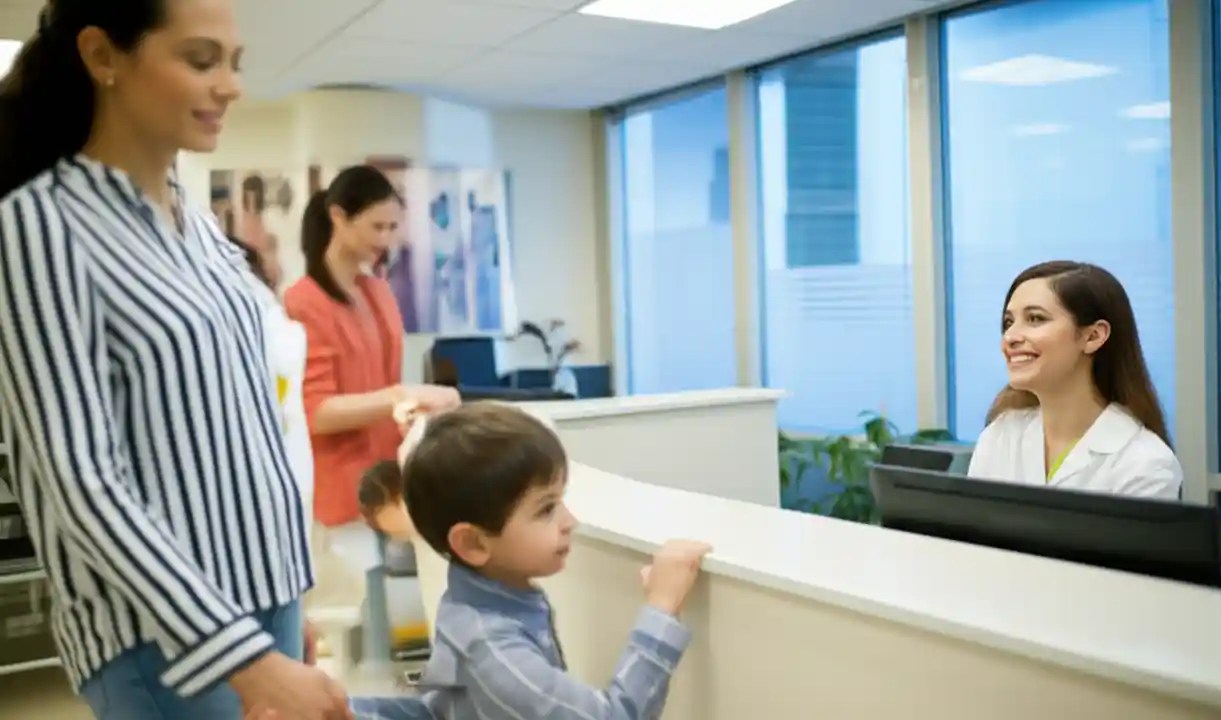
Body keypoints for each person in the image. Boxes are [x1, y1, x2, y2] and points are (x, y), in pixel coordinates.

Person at [0, 2, 351, 718]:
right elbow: (80, 483)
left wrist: (284, 602)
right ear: (103, 57)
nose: (229, 85)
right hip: (165, 643)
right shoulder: (38, 226)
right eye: (199, 60)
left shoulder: (200, 231)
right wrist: (246, 657)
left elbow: (239, 426)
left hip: (261, 604)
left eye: (235, 62)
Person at [339, 402, 712, 719]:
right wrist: (662, 607)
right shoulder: (492, 647)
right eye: (547, 509)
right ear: (472, 543)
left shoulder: (485, 604)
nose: (570, 522)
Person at [284, 165, 459, 600]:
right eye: (376, 226)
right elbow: (317, 412)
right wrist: (401, 396)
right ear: (339, 217)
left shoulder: (378, 291)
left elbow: (385, 383)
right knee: (356, 622)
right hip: (339, 488)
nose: (386, 239)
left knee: (401, 616)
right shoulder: (303, 302)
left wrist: (411, 405)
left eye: (393, 227)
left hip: (390, 477)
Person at [967, 261, 1182, 499]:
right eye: (1009, 322)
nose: (1011, 337)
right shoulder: (1000, 435)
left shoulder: (1146, 464)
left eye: (1036, 319)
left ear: (1093, 336)